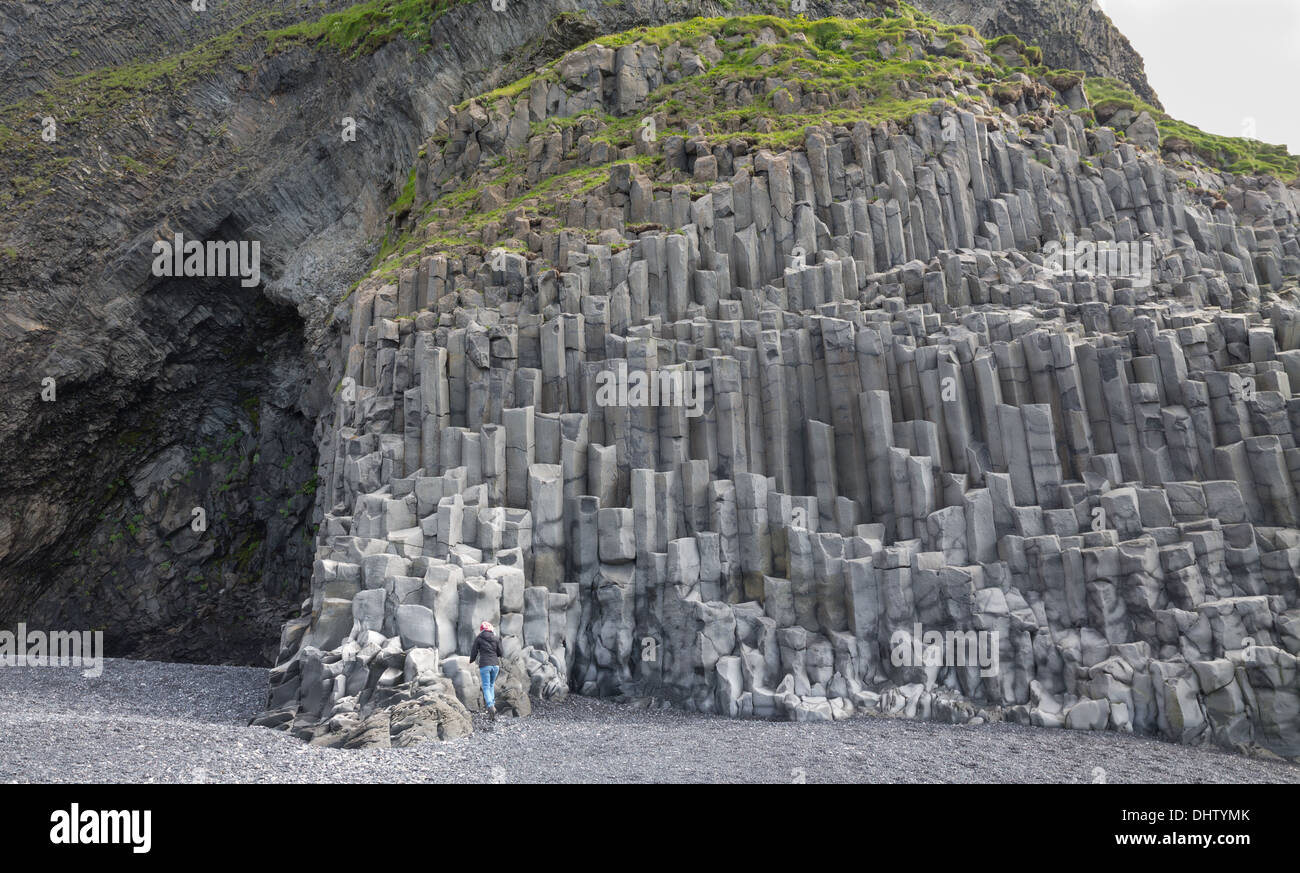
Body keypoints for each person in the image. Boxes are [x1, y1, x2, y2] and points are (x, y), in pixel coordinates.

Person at [468, 620, 503, 719]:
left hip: (485, 665)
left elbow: (474, 651)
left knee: (486, 686)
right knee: (491, 685)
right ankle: (492, 706)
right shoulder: (496, 638)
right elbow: (501, 652)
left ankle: (490, 706)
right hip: (495, 665)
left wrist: (471, 660)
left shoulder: (479, 638)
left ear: (482, 629)